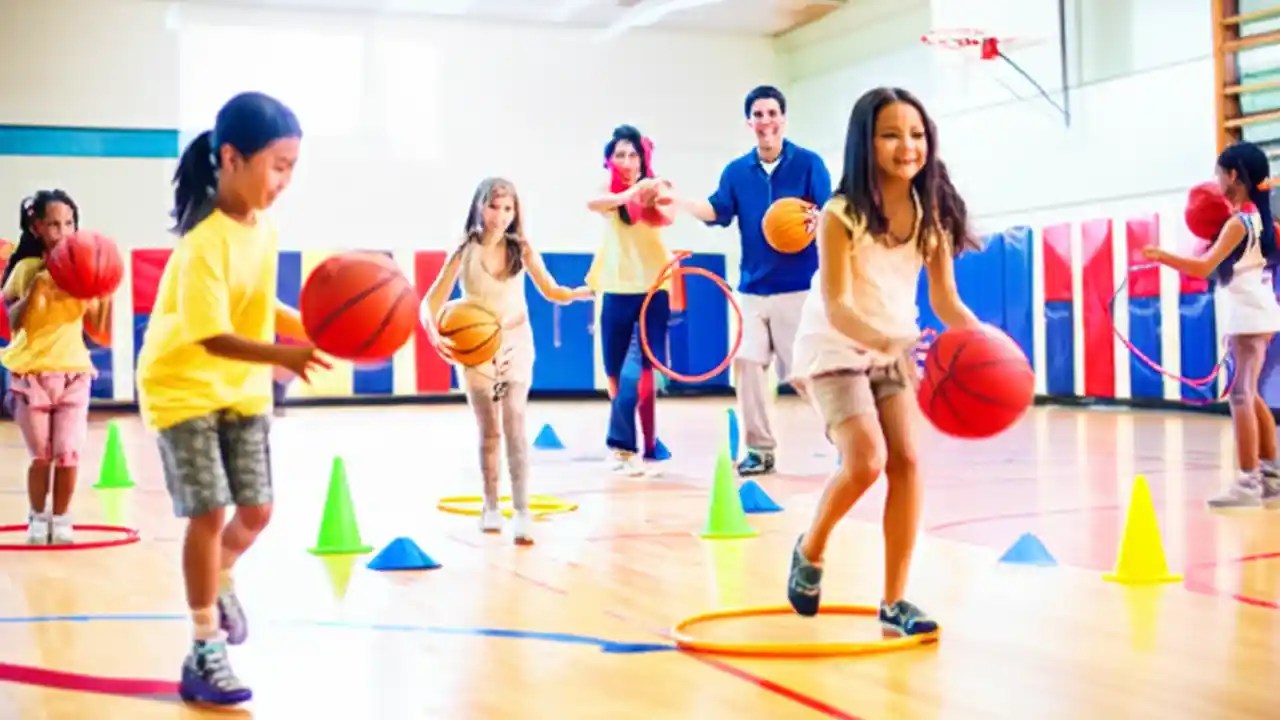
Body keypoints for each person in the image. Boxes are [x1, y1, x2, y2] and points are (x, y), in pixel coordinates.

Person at [134, 91, 329, 706]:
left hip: (240, 389)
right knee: (210, 511)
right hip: (182, 387)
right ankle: (203, 647)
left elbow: (260, 303)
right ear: (231, 159)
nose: (285, 180)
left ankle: (219, 575)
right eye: (278, 165)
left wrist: (317, 326)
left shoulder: (262, 229)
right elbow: (211, 334)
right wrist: (284, 356)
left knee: (257, 511)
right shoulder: (203, 244)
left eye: (292, 167)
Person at [784, 87, 980, 636]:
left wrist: (988, 341)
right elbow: (838, 306)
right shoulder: (839, 214)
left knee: (907, 461)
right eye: (891, 135)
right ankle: (811, 546)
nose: (907, 146)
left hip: (892, 347)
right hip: (835, 347)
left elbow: (946, 300)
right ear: (864, 143)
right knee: (866, 460)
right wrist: (886, 342)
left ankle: (894, 600)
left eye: (916, 134)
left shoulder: (931, 215)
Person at [422, 177, 592, 543]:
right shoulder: (464, 250)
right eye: (493, 206)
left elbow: (552, 290)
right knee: (489, 432)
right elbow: (430, 302)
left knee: (515, 423)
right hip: (477, 348)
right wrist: (434, 332)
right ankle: (490, 506)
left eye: (507, 208)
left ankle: (523, 511)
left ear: (516, 212)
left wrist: (581, 293)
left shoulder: (521, 249)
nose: (500, 215)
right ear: (479, 206)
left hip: (515, 340)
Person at [681, 85, 832, 477]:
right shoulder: (737, 172)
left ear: (783, 118)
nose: (766, 121)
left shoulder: (809, 164)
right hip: (751, 290)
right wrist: (677, 201)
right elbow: (716, 210)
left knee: (802, 374)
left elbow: (831, 213)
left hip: (798, 288)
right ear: (749, 122)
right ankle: (759, 450)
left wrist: (816, 221)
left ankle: (846, 438)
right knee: (747, 365)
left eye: (772, 113)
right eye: (758, 115)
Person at [1144, 140, 1280, 510]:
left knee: (1240, 396)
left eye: (1219, 174)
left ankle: (1248, 482)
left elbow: (1203, 267)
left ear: (1233, 175)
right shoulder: (1263, 222)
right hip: (1258, 314)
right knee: (1251, 394)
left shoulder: (1238, 224)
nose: (1216, 181)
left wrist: (1161, 255)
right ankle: (1271, 477)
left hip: (1250, 318)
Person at [1, 190, 110, 545]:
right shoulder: (25, 269)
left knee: (67, 453)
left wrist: (104, 294)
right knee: (42, 455)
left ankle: (62, 517)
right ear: (37, 228)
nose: (62, 232)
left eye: (68, 223)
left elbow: (101, 333)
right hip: (31, 374)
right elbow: (12, 323)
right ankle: (37, 515)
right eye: (53, 224)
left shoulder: (83, 270)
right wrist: (34, 290)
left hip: (73, 372)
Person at [584, 124, 677, 476]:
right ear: (610, 160)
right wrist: (628, 196)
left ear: (642, 159)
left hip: (653, 289)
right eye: (619, 155)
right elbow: (592, 203)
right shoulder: (609, 193)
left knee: (639, 371)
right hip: (616, 288)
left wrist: (647, 194)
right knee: (614, 373)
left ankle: (630, 446)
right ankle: (640, 446)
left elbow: (667, 214)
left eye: (632, 154)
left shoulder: (656, 186)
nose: (626, 161)